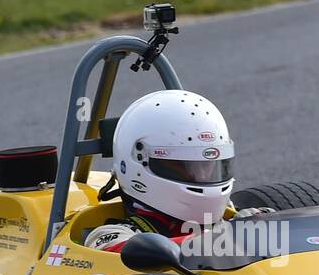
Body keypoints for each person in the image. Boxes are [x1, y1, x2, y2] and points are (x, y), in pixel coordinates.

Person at [84, 89, 237, 252]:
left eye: (208, 165)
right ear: (139, 162)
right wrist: (211, 241)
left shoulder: (230, 223)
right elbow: (124, 254)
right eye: (183, 166)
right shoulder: (111, 234)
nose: (203, 175)